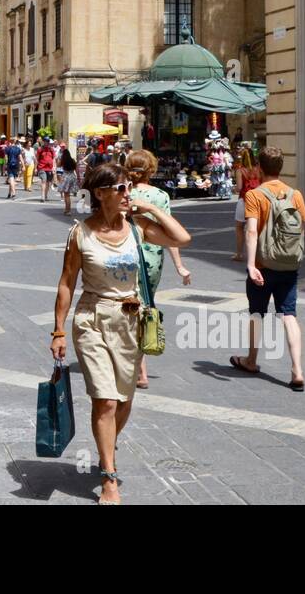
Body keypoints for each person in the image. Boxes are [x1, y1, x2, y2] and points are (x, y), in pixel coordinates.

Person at [50, 162, 191, 504]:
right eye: (122, 189)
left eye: (130, 187)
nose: (129, 194)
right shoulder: (80, 234)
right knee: (106, 399)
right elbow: (67, 282)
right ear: (100, 194)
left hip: (131, 319)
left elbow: (181, 238)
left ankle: (106, 448)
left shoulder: (139, 227)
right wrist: (58, 331)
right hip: (93, 318)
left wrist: (154, 207)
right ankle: (109, 477)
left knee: (125, 400)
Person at [230, 145, 305, 391]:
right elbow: (302, 228)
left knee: (256, 313)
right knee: (289, 314)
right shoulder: (295, 194)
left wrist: (251, 264)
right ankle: (297, 370)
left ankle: (251, 360)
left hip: (263, 265)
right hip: (288, 264)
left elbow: (251, 230)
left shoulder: (255, 195)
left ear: (260, 168)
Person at [124, 150, 192, 389]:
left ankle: (135, 367)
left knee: (128, 307)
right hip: (150, 262)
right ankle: (140, 370)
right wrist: (180, 266)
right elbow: (169, 235)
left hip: (124, 257)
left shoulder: (122, 194)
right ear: (151, 170)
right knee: (144, 307)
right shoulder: (160, 196)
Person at [232, 146, 261, 261]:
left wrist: (233, 189)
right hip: (256, 201)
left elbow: (239, 188)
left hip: (243, 200)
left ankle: (239, 254)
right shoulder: (258, 170)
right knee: (255, 229)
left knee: (239, 228)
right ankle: (257, 255)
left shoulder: (240, 171)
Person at [59, 146, 79, 214]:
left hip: (66, 176)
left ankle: (68, 210)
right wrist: (78, 177)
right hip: (72, 176)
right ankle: (67, 210)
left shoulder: (63, 160)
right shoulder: (73, 160)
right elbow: (76, 169)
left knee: (66, 195)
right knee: (68, 195)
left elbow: (58, 165)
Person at [37, 137, 57, 202]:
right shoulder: (40, 149)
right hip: (42, 167)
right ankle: (42, 196)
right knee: (44, 181)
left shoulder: (51, 149)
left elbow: (54, 159)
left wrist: (54, 167)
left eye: (48, 141)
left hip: (49, 168)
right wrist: (36, 168)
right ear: (43, 141)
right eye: (45, 141)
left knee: (48, 182)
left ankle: (45, 195)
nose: (47, 142)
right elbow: (37, 158)